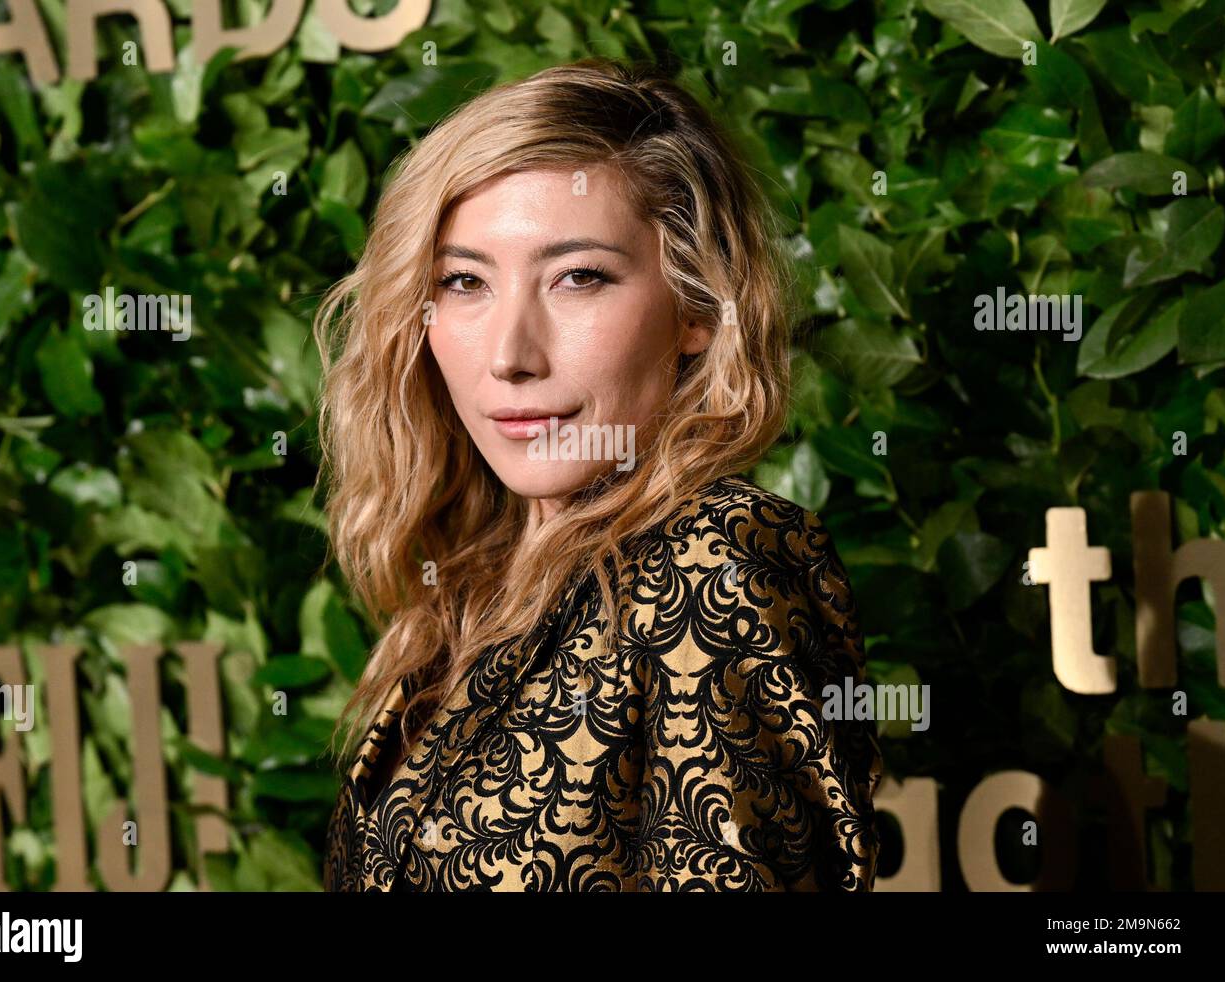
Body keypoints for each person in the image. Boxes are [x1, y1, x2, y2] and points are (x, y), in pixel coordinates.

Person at [313, 57, 882, 892]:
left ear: (697, 308)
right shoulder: (472, 588)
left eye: (579, 277)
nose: (510, 356)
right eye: (464, 282)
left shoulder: (716, 562)